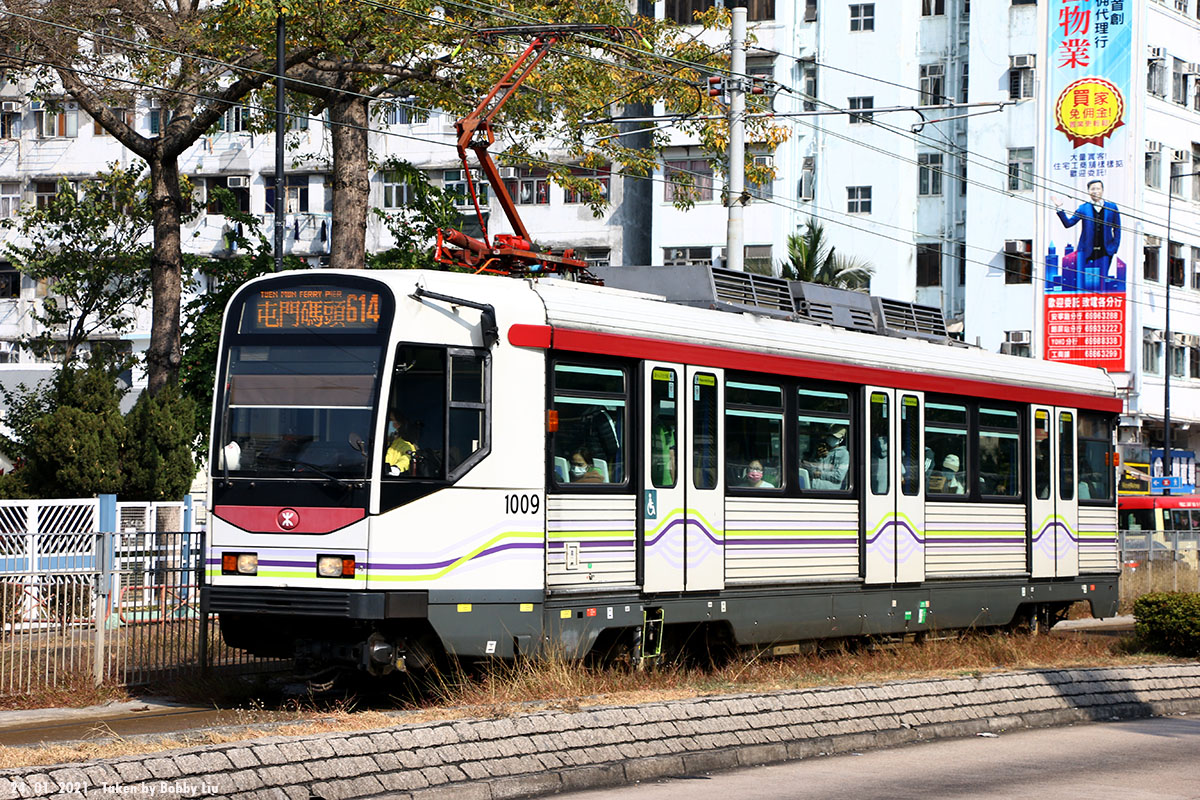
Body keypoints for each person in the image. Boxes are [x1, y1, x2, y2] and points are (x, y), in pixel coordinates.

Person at [1054, 179, 1120, 288]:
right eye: (1092, 189)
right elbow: (1068, 223)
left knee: (1101, 282)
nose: (1095, 191)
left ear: (1102, 190)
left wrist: (1114, 247)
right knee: (1086, 282)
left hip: (1106, 250)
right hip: (1086, 251)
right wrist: (1059, 208)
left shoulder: (1112, 207)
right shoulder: (1083, 208)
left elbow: (1117, 229)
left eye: (1098, 188)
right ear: (1088, 191)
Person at [808, 425, 849, 490]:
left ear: (841, 439)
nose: (831, 438)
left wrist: (820, 474)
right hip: (812, 487)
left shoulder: (844, 454)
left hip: (828, 491)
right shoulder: (821, 449)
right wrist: (818, 457)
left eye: (835, 437)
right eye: (830, 436)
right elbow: (809, 469)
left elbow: (838, 476)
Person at [384, 411, 418, 476]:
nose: (386, 422)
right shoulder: (377, 443)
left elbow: (407, 458)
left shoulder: (406, 445)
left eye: (390, 420)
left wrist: (397, 467)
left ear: (398, 424)